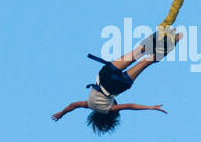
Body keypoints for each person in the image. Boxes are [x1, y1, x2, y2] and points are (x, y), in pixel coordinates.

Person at [52, 29, 183, 134]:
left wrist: (150, 107)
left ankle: (174, 40)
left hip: (117, 86)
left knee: (146, 62)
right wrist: (61, 114)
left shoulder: (109, 109)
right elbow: (73, 105)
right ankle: (163, 36)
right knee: (138, 52)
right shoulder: (88, 105)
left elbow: (130, 106)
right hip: (104, 76)